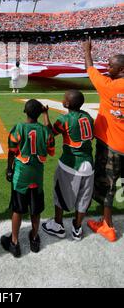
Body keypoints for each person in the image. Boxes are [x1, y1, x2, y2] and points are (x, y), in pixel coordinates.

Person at [1, 100, 55, 256]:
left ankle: (15, 242)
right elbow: (51, 146)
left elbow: (12, 151)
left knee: (18, 209)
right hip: (37, 176)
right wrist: (46, 115)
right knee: (35, 209)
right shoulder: (45, 132)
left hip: (21, 176)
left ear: (25, 111)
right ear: (39, 113)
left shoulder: (19, 128)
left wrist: (9, 169)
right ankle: (34, 238)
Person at [83, 38, 124, 242]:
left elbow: (90, 69)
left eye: (110, 65)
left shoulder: (108, 86)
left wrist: (86, 50)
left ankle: (107, 226)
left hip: (111, 147)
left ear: (121, 69)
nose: (107, 67)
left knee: (107, 186)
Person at [42, 90, 94, 241]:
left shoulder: (65, 119)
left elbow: (50, 134)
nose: (62, 99)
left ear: (67, 104)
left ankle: (58, 225)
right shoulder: (88, 117)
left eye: (64, 98)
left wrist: (45, 114)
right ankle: (77, 228)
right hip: (89, 164)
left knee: (60, 194)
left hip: (70, 164)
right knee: (83, 199)